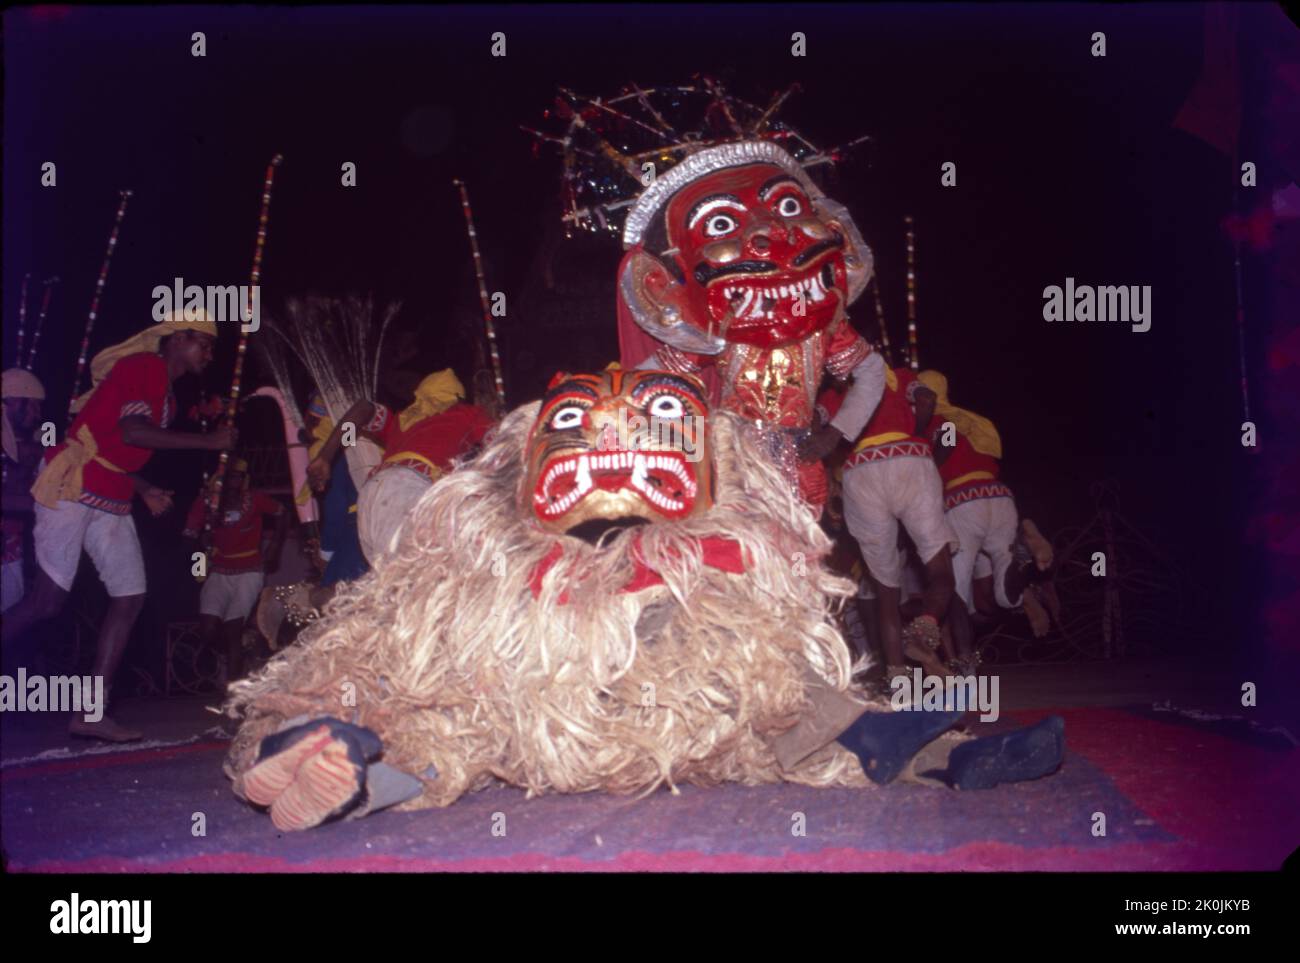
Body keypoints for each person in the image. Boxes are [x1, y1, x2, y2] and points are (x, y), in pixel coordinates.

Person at [4, 310, 233, 741]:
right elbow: (132, 433)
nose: (208, 354)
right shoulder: (143, 366)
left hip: (111, 494)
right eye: (203, 343)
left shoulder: (167, 394)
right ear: (176, 338)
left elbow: (114, 446)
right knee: (46, 603)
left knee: (130, 598)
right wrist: (207, 441)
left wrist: (144, 488)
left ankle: (91, 712)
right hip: (74, 487)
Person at [916, 369, 1054, 671]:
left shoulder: (940, 421)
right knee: (1005, 595)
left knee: (953, 590)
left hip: (964, 502)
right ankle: (1023, 554)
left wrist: (925, 470)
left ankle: (965, 662)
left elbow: (947, 443)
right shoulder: (971, 421)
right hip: (1001, 499)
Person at [833, 366, 956, 689]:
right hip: (910, 459)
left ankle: (898, 681)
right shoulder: (897, 374)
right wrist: (912, 431)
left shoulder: (833, 385)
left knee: (887, 592)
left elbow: (821, 428)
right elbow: (926, 399)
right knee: (941, 570)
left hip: (860, 471)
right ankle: (927, 625)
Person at [183, 458, 287, 682]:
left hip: (250, 569)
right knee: (208, 630)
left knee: (233, 628)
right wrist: (199, 568)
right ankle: (239, 647)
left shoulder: (255, 500)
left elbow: (282, 512)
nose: (233, 481)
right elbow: (190, 537)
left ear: (244, 479)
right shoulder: (206, 503)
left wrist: (275, 548)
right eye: (228, 476)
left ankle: (231, 691)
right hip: (219, 570)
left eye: (238, 476)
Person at [2, 368, 45, 617]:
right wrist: (44, 504)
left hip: (11, 551)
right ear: (11, 401)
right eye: (32, 406)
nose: (37, 414)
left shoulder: (37, 441)